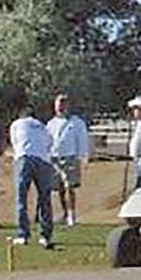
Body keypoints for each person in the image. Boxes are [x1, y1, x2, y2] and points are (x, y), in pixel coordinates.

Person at [9, 104, 56, 249]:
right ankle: (45, 236)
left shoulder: (16, 124)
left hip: (24, 158)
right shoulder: (42, 126)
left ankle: (23, 234)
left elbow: (15, 142)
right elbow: (50, 143)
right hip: (43, 161)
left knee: (21, 197)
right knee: (44, 198)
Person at [46, 93, 90, 226]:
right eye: (58, 105)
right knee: (59, 188)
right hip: (54, 158)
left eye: (63, 105)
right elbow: (48, 141)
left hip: (70, 157)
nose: (60, 108)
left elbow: (82, 140)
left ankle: (72, 215)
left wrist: (83, 157)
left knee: (69, 187)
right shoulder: (51, 123)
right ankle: (64, 214)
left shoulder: (76, 122)